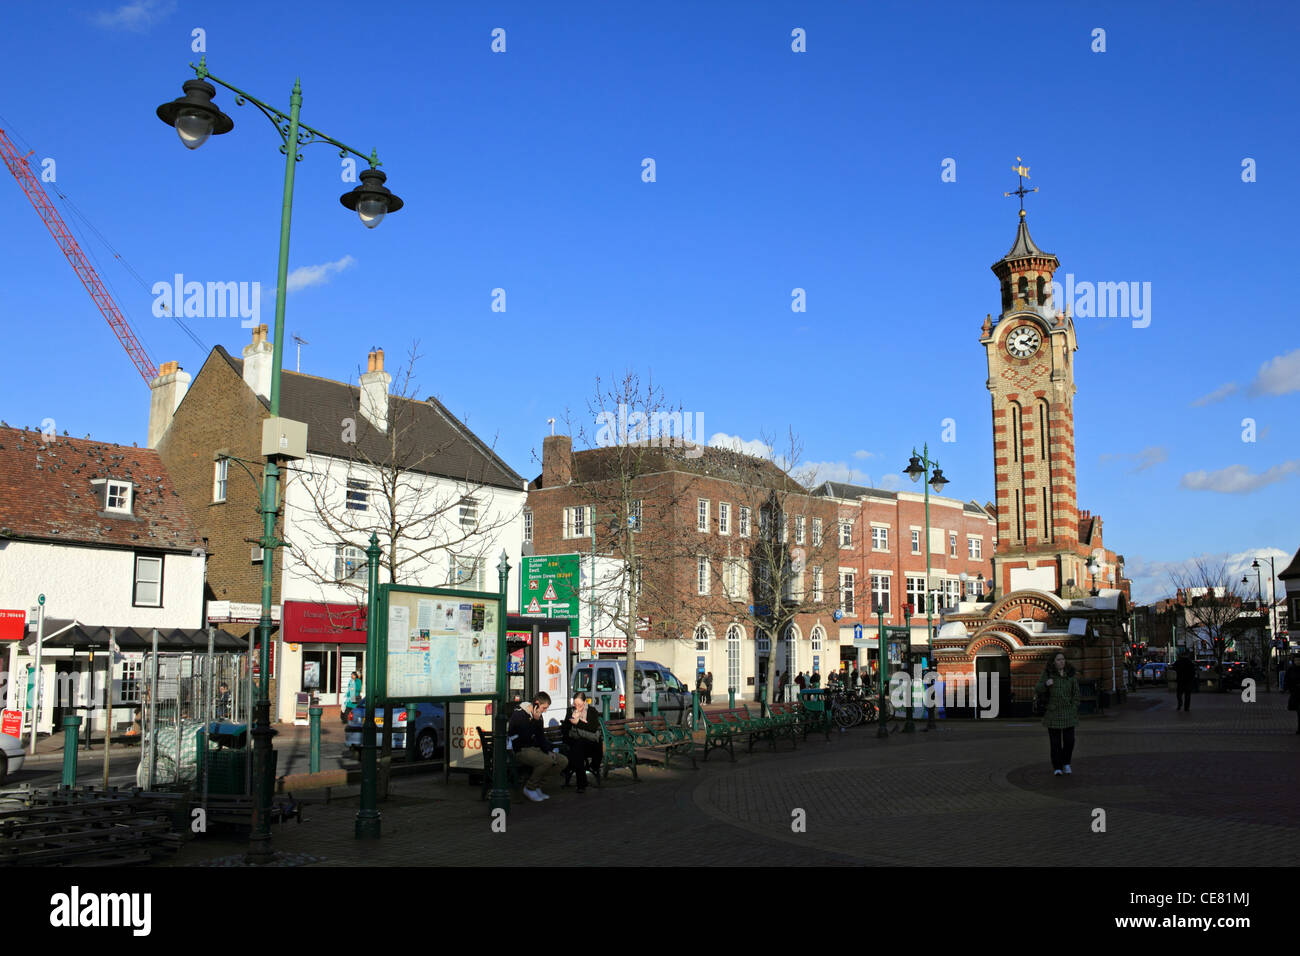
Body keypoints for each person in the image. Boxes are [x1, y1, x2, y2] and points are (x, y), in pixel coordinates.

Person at [508, 693, 568, 801]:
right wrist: (535, 721)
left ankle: (537, 786)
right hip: (521, 749)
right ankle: (530, 788)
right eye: (544, 707)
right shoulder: (519, 715)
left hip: (535, 749)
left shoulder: (539, 717)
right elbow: (523, 738)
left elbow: (541, 737)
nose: (545, 711)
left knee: (562, 761)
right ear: (536, 704)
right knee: (547, 761)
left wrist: (549, 750)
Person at [1035, 652, 1080, 775]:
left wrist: (1073, 708)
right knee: (1055, 743)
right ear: (1053, 662)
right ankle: (1057, 767)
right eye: (1059, 659)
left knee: (1069, 741)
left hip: (1068, 712)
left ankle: (1066, 763)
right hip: (1053, 712)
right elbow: (1037, 689)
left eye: (1063, 659)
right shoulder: (1048, 674)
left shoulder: (1070, 675)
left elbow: (1076, 694)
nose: (1062, 661)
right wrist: (1046, 684)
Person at [562, 691, 602, 792]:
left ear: (584, 703)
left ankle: (582, 781)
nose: (577, 707)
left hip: (590, 744)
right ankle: (581, 784)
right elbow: (565, 729)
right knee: (578, 749)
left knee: (579, 748)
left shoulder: (592, 711)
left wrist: (578, 723)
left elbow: (593, 728)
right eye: (575, 704)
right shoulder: (570, 711)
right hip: (576, 744)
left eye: (579, 705)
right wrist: (572, 721)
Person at [1286, 659, 1300, 735]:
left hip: (1296, 692)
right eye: (1296, 660)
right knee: (1298, 711)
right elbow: (1287, 679)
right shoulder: (1291, 669)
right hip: (1295, 693)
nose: (1298, 662)